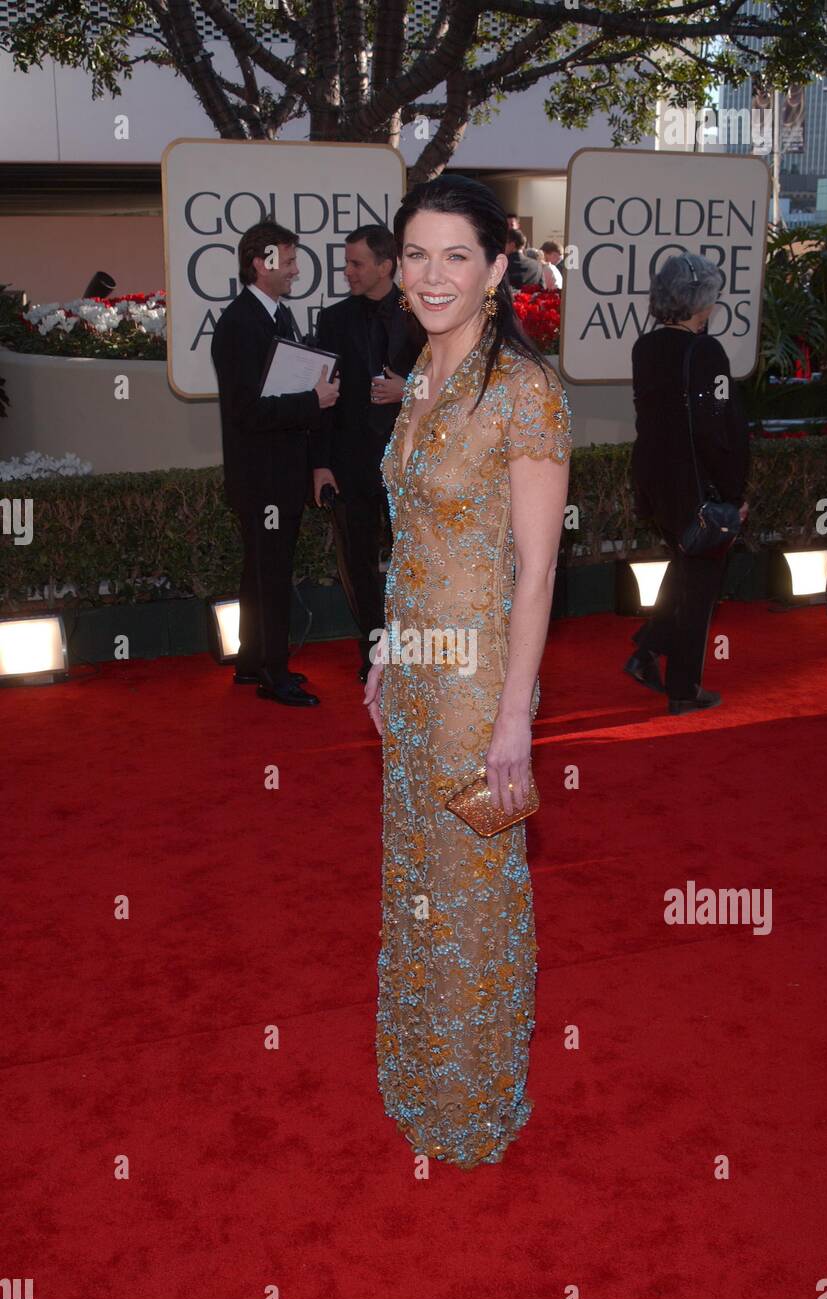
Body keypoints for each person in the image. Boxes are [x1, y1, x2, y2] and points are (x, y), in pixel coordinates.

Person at [365, 173, 572, 1167]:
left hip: (476, 689)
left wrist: (513, 720)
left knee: (475, 894)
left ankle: (472, 1097)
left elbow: (536, 571)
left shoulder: (523, 392)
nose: (431, 274)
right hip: (412, 679)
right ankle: (417, 1069)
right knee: (417, 884)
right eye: (416, 254)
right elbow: (409, 538)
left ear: (496, 267)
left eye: (456, 255)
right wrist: (385, 653)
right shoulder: (419, 374)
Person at [211, 220, 339, 707]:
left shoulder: (275, 317)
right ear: (259, 264)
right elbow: (247, 411)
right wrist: (313, 399)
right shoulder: (241, 324)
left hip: (276, 472)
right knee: (271, 575)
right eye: (286, 262)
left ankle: (251, 663)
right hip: (261, 477)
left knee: (259, 572)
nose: (295, 270)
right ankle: (273, 673)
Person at [626, 253, 750, 715]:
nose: (715, 304)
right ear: (700, 300)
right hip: (699, 486)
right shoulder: (706, 352)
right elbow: (718, 430)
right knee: (700, 586)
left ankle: (647, 651)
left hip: (657, 480)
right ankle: (684, 689)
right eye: (713, 295)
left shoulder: (646, 347)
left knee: (685, 567)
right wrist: (734, 493)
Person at [311, 225, 424, 680]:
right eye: (347, 263)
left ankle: (414, 650)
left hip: (411, 461)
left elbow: (457, 383)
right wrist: (320, 463)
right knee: (359, 564)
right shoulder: (333, 320)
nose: (348, 272)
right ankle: (376, 652)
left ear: (385, 265)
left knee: (414, 560)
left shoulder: (422, 312)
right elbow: (322, 397)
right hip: (351, 462)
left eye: (356, 263)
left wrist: (411, 388)